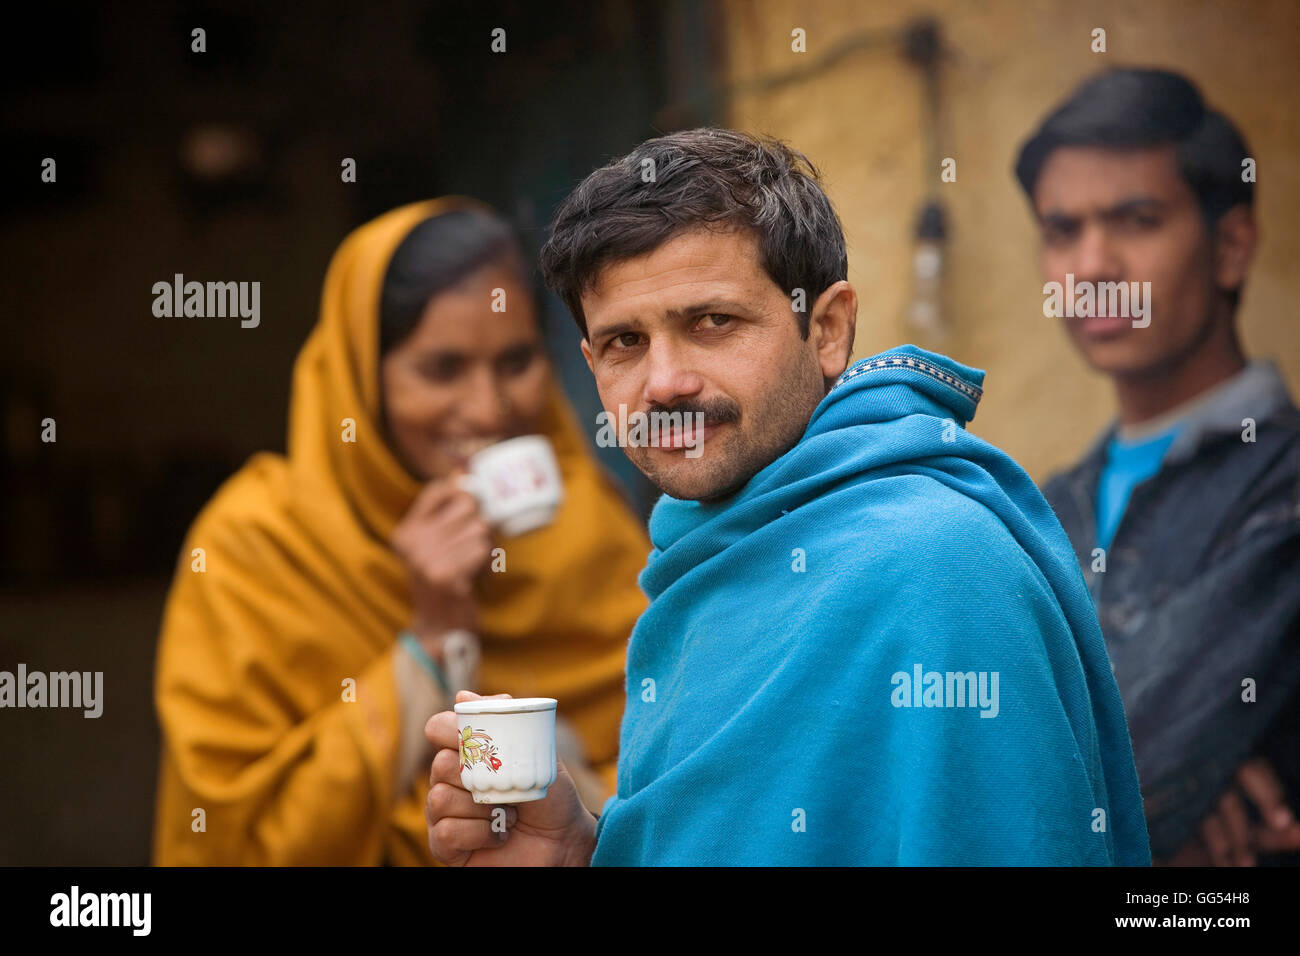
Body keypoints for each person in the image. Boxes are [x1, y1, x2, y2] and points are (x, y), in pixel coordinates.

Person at [424, 129, 1151, 865]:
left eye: (713, 323)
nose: (665, 381)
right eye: (625, 343)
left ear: (828, 330)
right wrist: (581, 852)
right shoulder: (705, 557)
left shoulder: (932, 566)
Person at [152, 197, 650, 865]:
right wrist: (431, 643)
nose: (488, 408)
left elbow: (673, 770)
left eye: (515, 361)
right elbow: (237, 837)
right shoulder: (257, 543)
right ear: (363, 379)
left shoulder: (587, 521)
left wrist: (570, 821)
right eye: (441, 369)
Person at [1015, 68, 1300, 867]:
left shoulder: (1283, 487)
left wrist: (1149, 791)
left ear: (1231, 245)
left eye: (1137, 220)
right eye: (1062, 230)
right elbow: (954, 741)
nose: (1093, 265)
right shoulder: (1041, 508)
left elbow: (1148, 754)